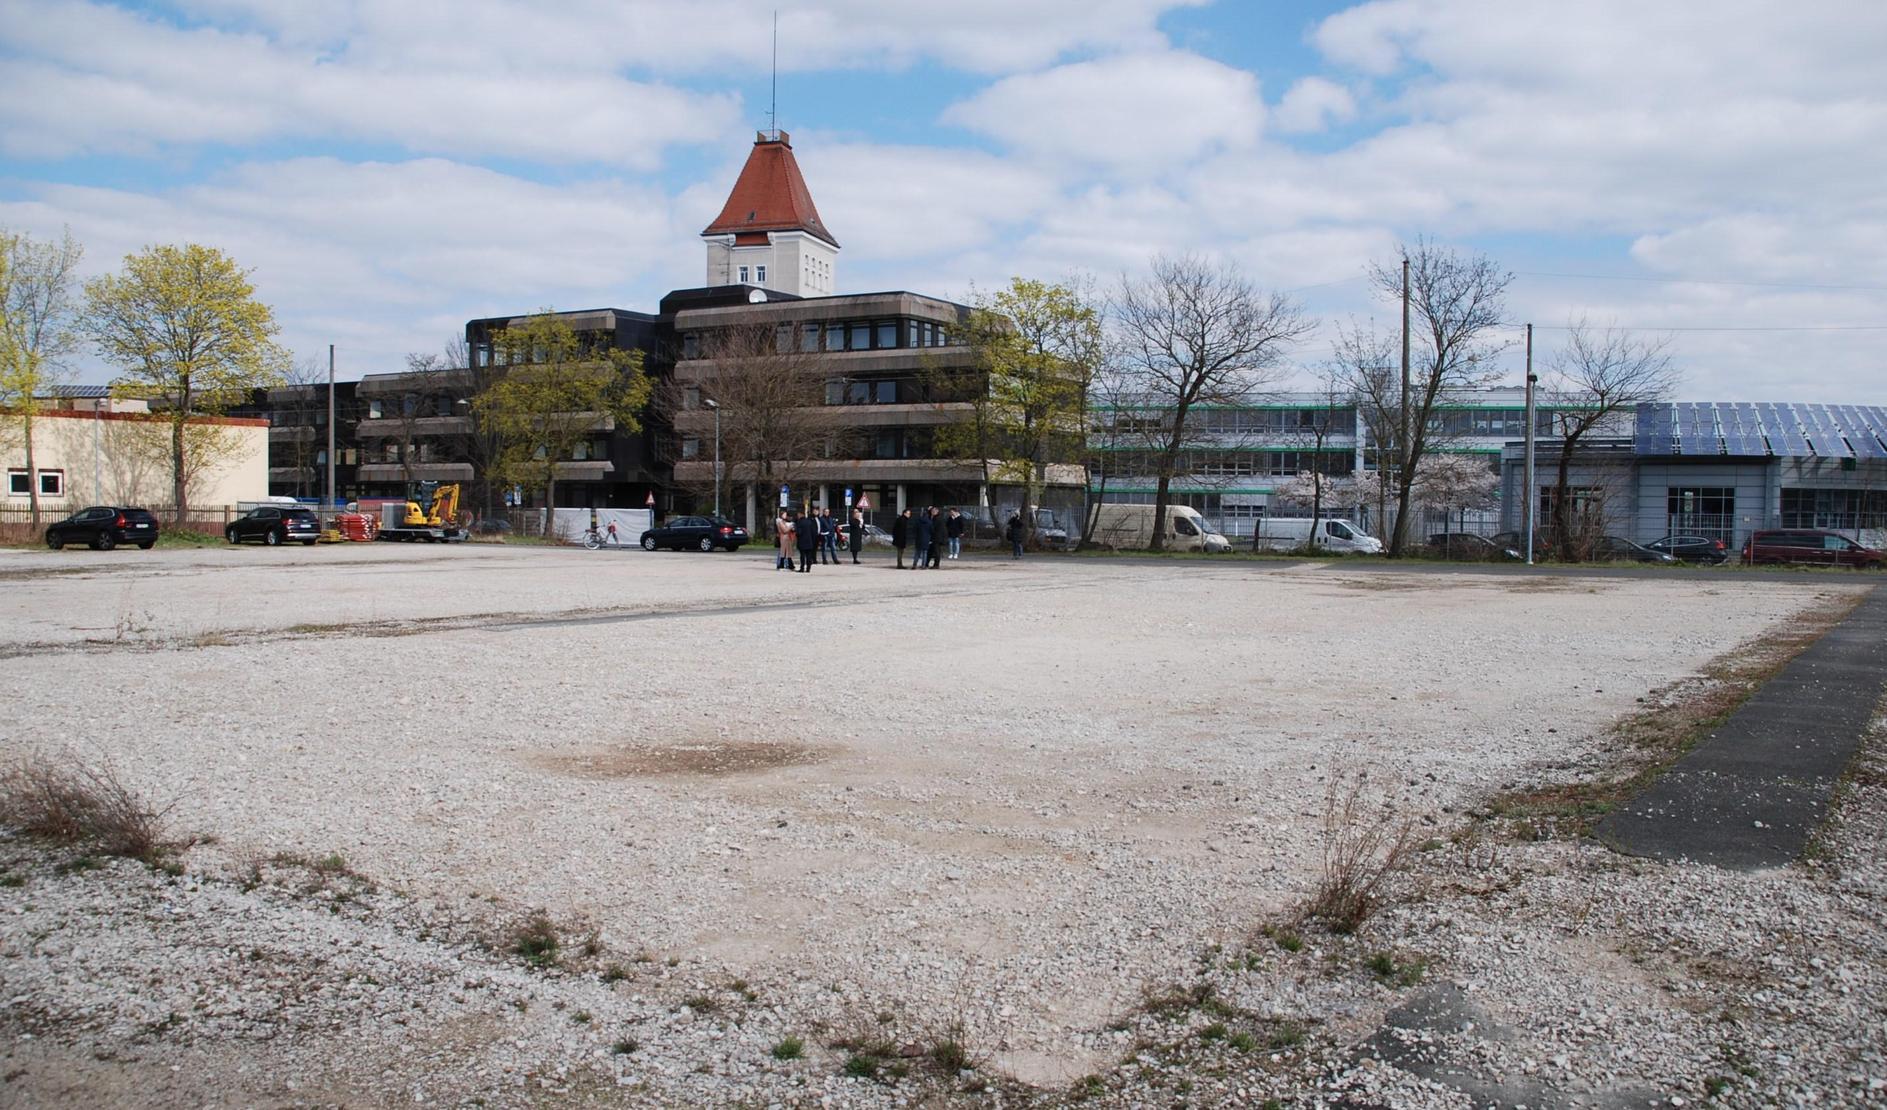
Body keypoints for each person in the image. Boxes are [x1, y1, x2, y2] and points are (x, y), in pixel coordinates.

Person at [912, 505, 934, 570]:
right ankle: (923, 565)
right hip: (926, 539)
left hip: (918, 539)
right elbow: (932, 531)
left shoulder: (918, 522)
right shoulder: (929, 522)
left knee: (917, 553)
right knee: (925, 553)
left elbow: (914, 530)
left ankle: (914, 565)